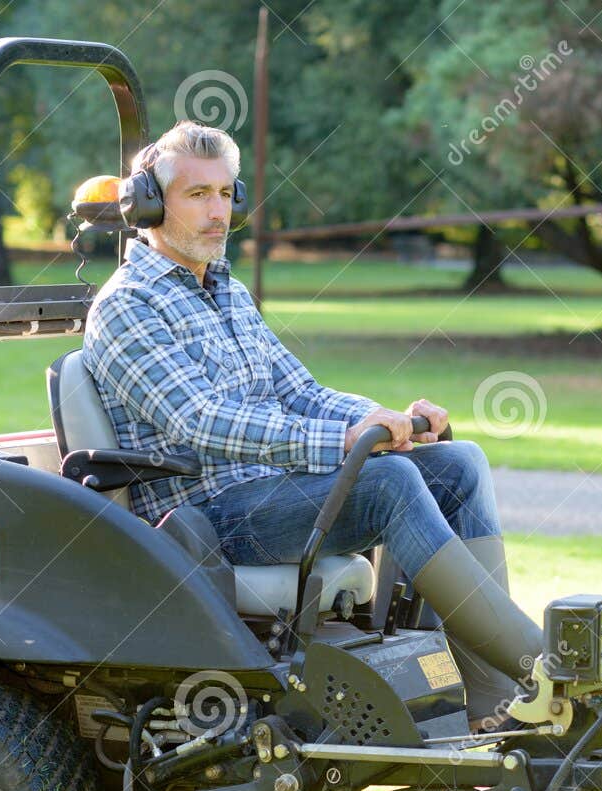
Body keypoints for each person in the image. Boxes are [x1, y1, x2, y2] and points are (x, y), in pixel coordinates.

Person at [83, 121, 545, 732]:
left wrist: (387, 420)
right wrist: (344, 442)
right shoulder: (126, 305)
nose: (217, 211)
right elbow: (197, 419)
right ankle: (549, 673)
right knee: (389, 485)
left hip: (272, 497)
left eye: (226, 194)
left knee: (460, 464)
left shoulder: (227, 291)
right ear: (148, 203)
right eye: (198, 195)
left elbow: (299, 391)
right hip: (209, 520)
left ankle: (500, 711)